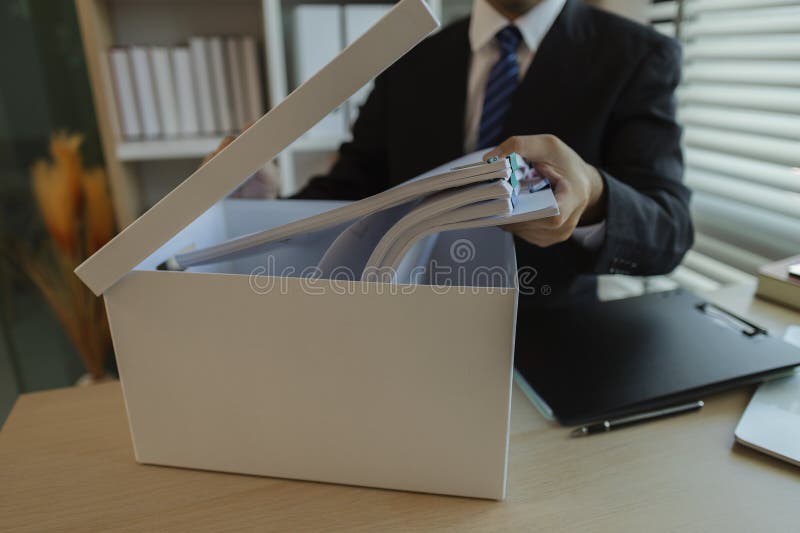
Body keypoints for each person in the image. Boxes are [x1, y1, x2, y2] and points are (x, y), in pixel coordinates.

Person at [212, 0, 693, 307]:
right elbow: (353, 190)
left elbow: (669, 232)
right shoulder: (406, 58)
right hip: (402, 329)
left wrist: (591, 195)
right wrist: (261, 206)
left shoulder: (638, 55)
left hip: (552, 345)